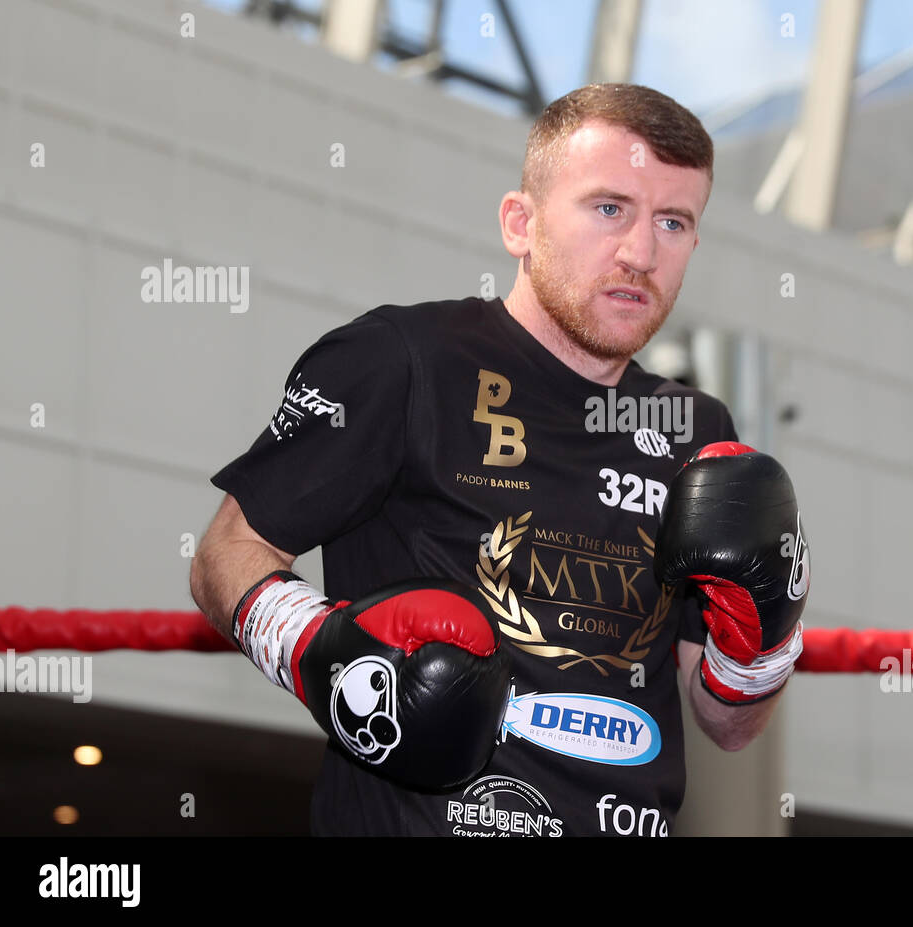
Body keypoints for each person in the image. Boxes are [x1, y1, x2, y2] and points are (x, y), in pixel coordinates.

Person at [189, 83, 810, 837]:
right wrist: (329, 655)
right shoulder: (401, 362)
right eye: (609, 208)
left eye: (672, 222)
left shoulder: (694, 428)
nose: (640, 253)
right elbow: (226, 550)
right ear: (521, 223)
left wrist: (765, 630)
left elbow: (727, 724)